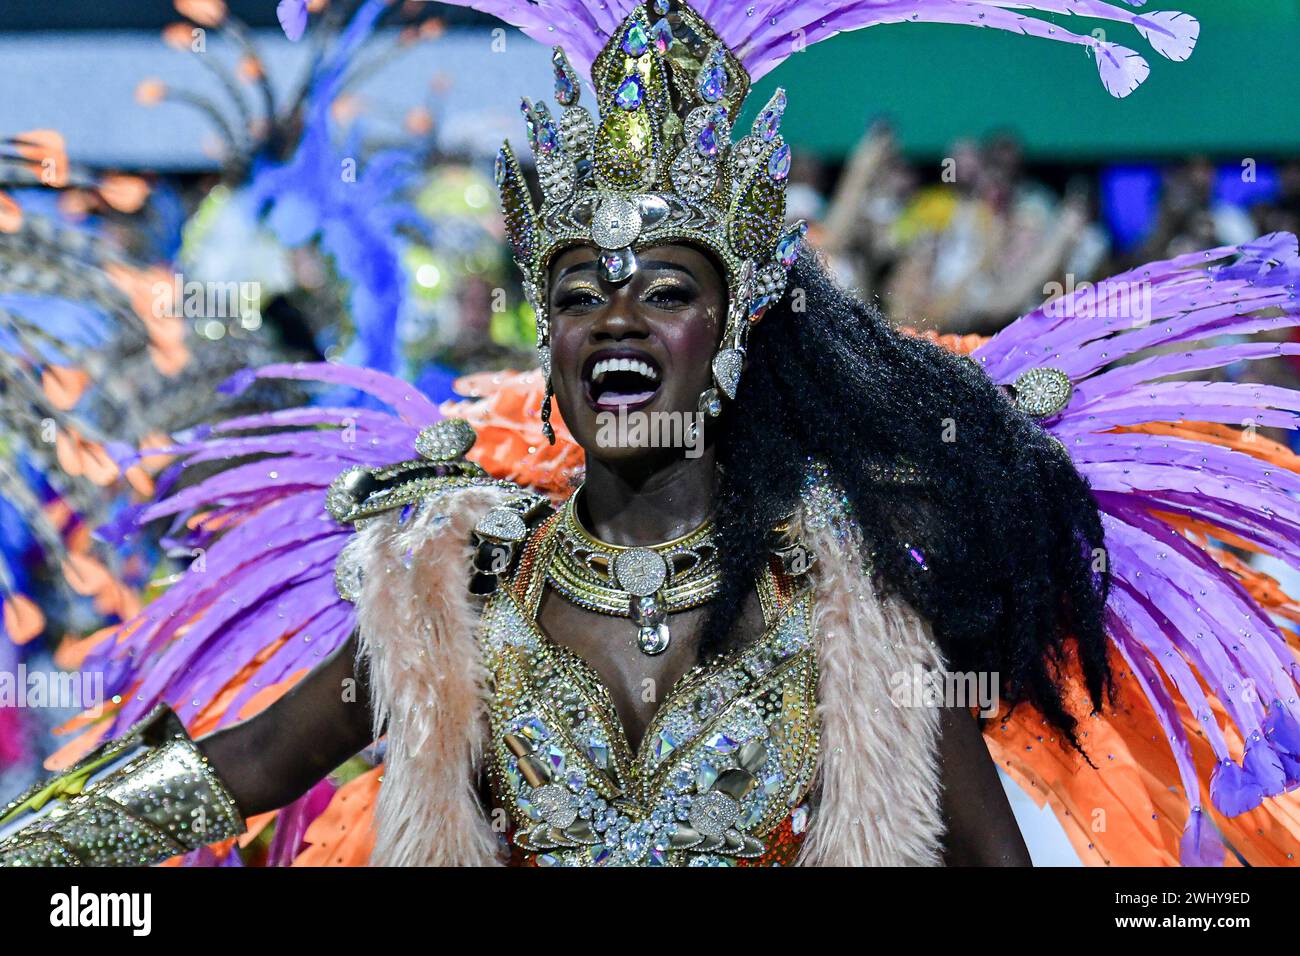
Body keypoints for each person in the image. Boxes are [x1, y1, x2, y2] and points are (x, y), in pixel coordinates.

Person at [3, 0, 1298, 868]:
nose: (617, 321)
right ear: (548, 348)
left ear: (731, 329)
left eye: (665, 290)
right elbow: (242, 767)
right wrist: (42, 868)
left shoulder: (844, 619)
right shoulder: (449, 599)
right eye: (580, 294)